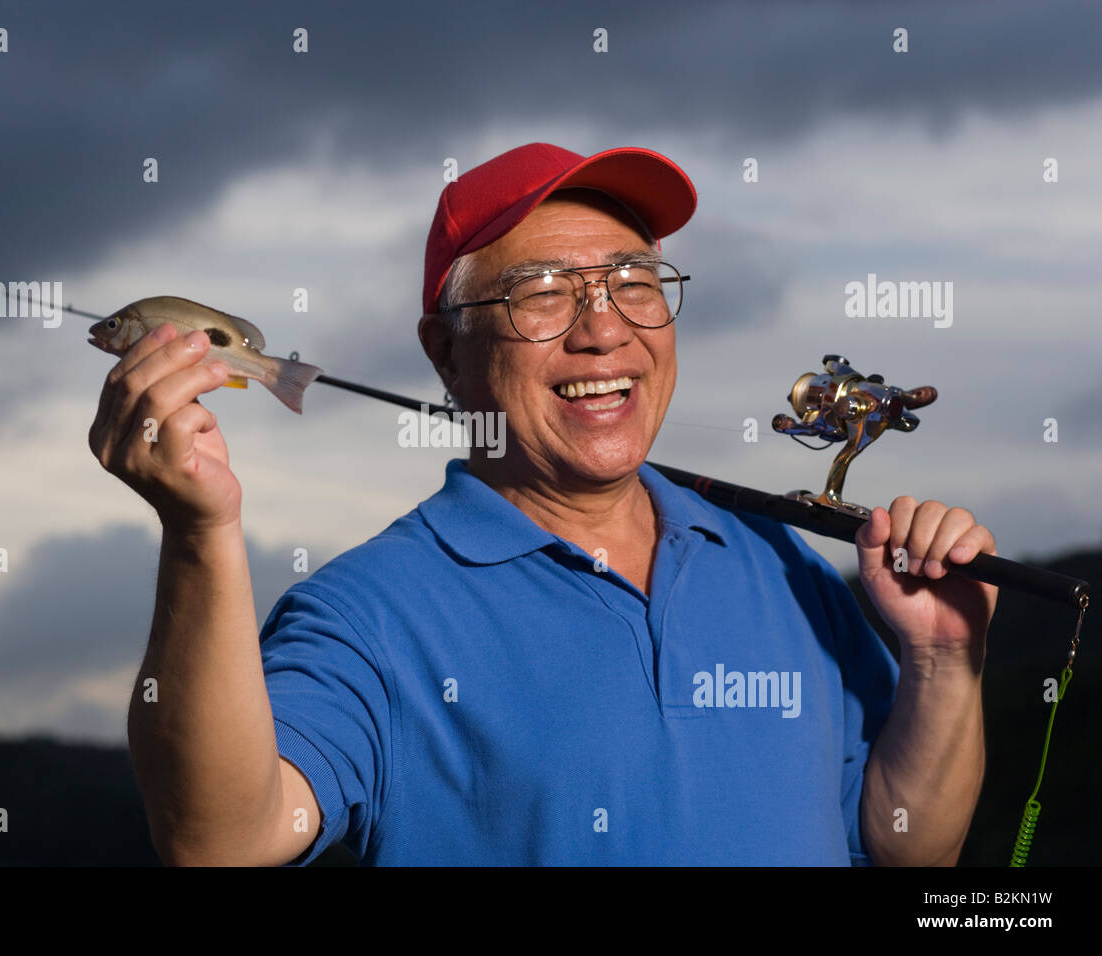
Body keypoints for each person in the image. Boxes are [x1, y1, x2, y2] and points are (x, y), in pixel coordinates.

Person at [88, 142, 997, 866]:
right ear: (446, 353)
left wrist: (943, 664)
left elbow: (905, 844)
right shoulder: (367, 615)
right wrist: (201, 533)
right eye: (543, 294)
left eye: (634, 283)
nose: (604, 331)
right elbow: (221, 842)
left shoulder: (782, 563)